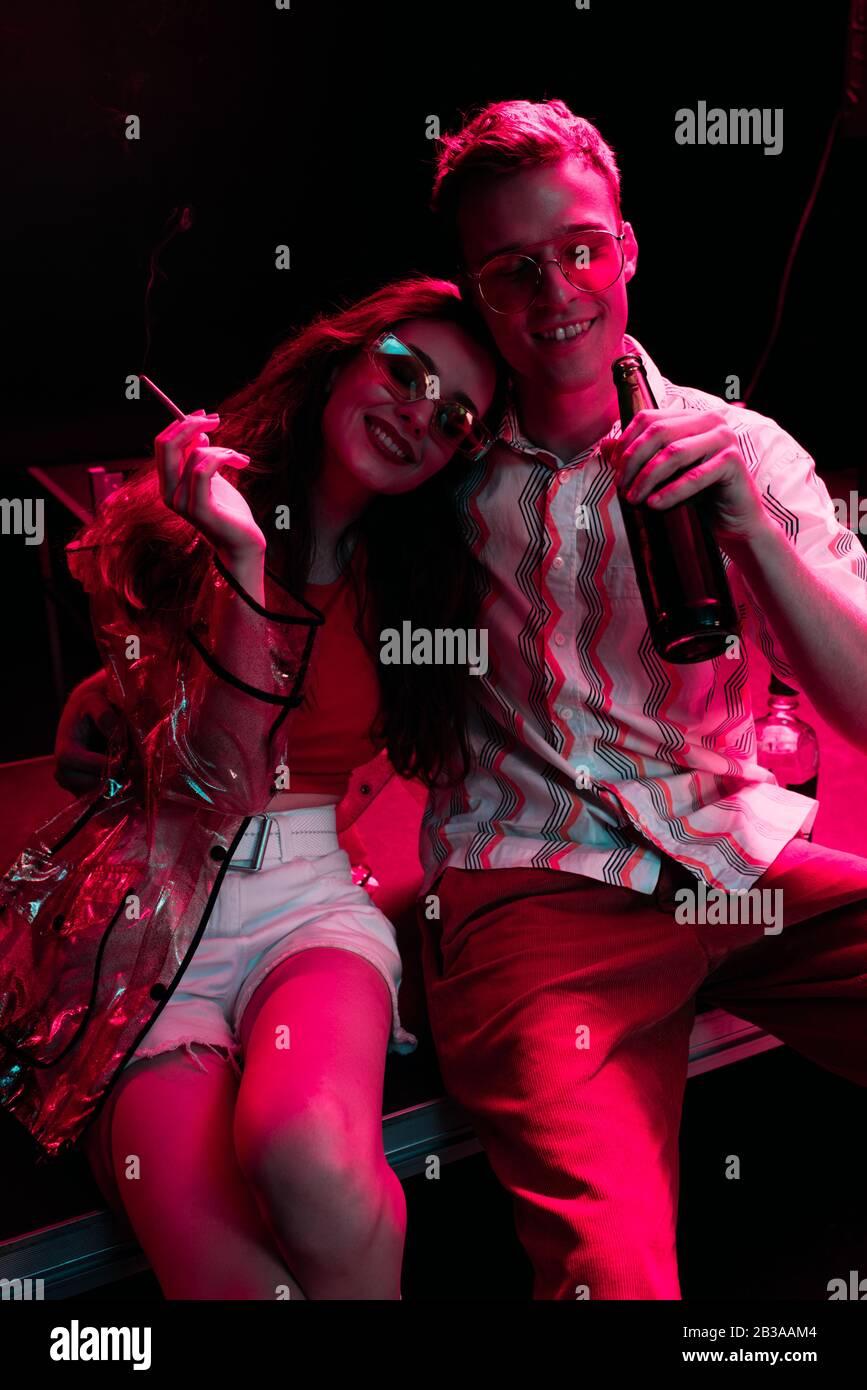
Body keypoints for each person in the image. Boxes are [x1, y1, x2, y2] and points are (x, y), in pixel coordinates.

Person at [409, 99, 867, 1299]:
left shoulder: (741, 447)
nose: (555, 291)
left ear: (626, 248)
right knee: (614, 1279)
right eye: (512, 272)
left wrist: (750, 538)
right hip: (537, 897)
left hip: (737, 863)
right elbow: (274, 567)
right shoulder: (437, 464)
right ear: (475, 292)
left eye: (579, 249)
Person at [0, 276, 498, 1300]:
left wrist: (242, 558)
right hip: (140, 918)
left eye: (454, 418)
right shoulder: (166, 516)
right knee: (225, 1277)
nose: (419, 416)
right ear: (343, 356)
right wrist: (132, 670)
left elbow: (243, 772)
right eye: (405, 372)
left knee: (305, 1154)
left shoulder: (422, 579)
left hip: (307, 905)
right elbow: (188, 746)